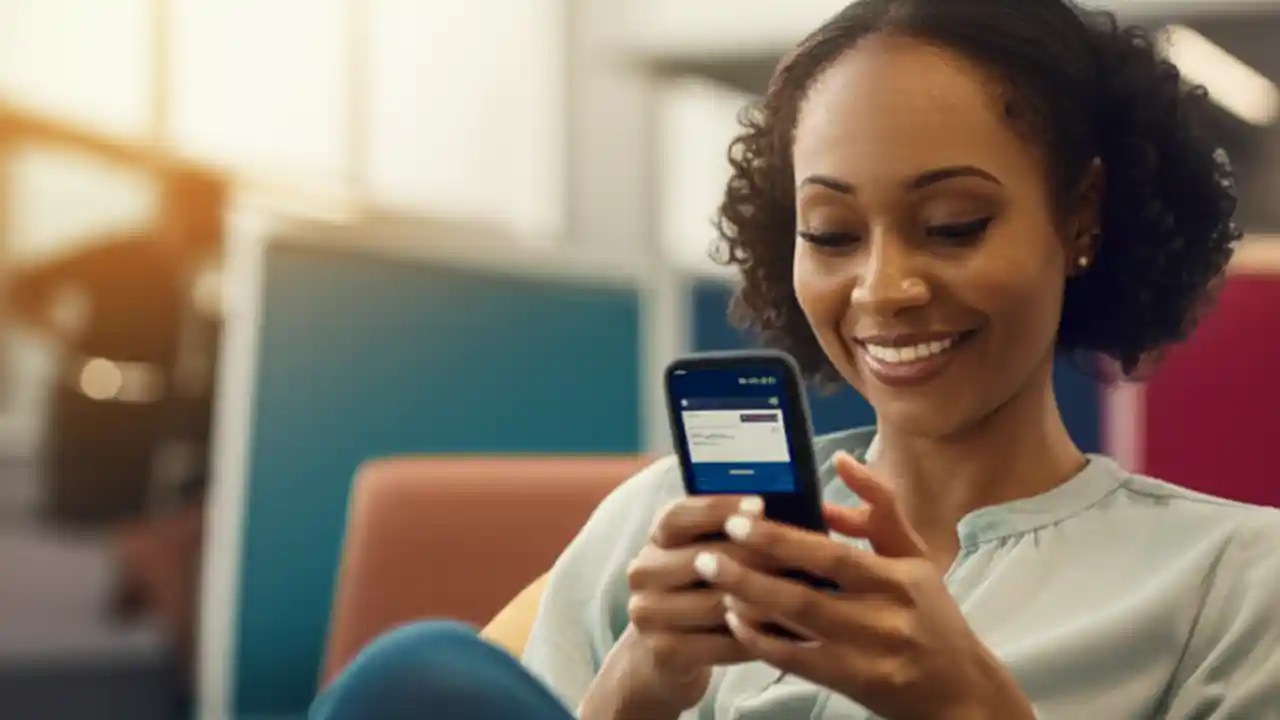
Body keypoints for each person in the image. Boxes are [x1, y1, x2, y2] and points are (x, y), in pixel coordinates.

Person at [313, 1, 1279, 718]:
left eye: (952, 226)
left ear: (1081, 217)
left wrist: (972, 709)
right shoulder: (664, 530)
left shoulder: (1232, 584)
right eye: (831, 232)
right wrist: (637, 688)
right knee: (414, 677)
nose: (882, 289)